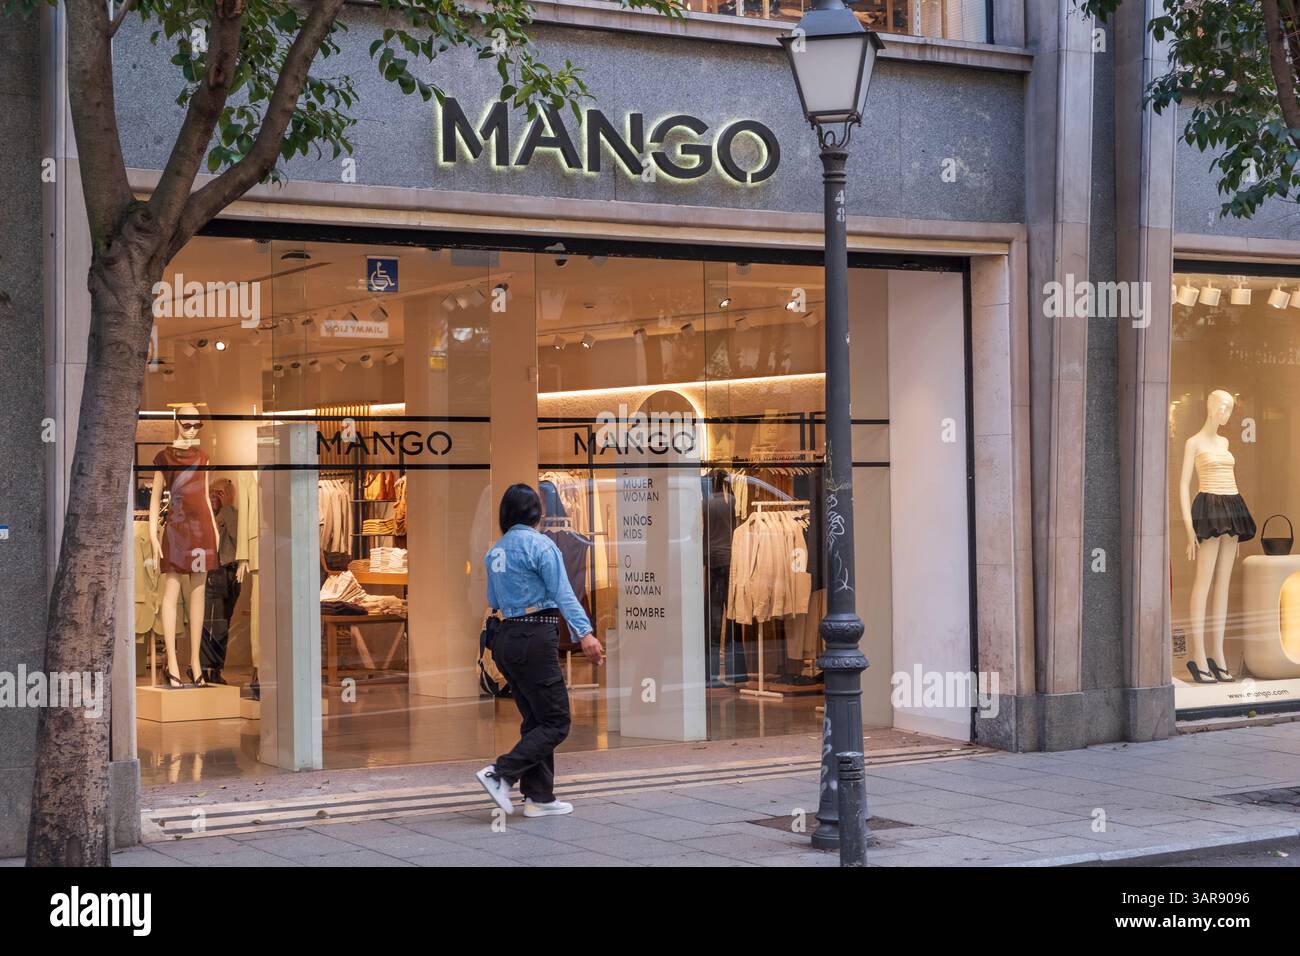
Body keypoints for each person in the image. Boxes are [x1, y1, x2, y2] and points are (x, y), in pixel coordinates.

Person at [476, 484, 604, 817]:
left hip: (506, 638)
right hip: (536, 635)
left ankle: (539, 798)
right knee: (557, 720)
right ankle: (500, 774)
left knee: (536, 720)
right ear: (537, 512)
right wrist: (585, 633)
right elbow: (563, 593)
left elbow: (493, 599)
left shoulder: (495, 551)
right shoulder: (541, 545)